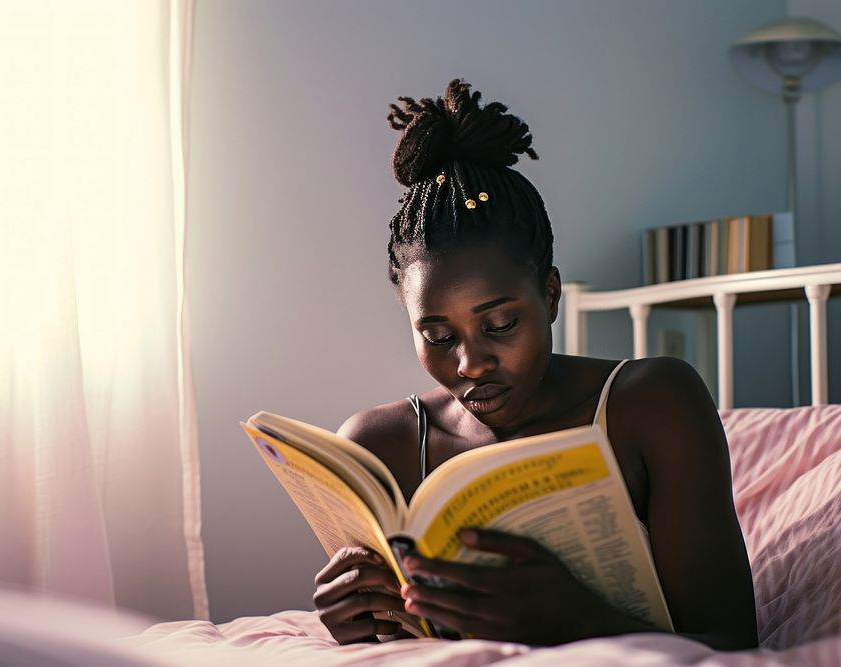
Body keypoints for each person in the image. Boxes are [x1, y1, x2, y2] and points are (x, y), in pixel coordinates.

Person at [311, 80, 757, 649]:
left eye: (500, 325)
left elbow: (733, 642)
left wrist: (580, 620)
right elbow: (387, 633)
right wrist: (353, 620)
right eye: (437, 335)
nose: (471, 364)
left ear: (549, 295)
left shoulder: (654, 404)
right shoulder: (379, 445)